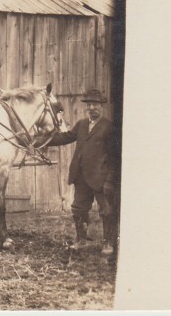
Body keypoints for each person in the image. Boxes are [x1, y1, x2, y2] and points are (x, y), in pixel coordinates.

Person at [48, 88, 119, 255]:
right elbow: (66, 137)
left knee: (106, 210)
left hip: (101, 177)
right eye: (89, 105)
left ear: (102, 106)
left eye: (95, 104)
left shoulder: (109, 127)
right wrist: (44, 140)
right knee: (79, 209)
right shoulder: (81, 124)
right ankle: (81, 240)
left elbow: (114, 158)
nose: (92, 108)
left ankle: (108, 242)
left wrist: (110, 180)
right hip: (81, 176)